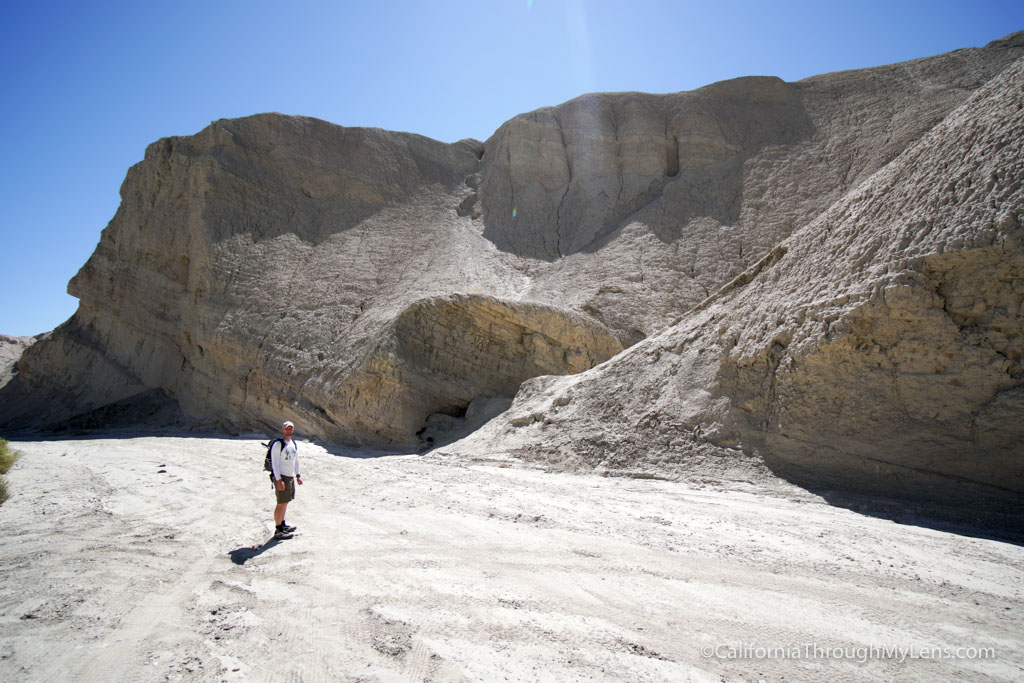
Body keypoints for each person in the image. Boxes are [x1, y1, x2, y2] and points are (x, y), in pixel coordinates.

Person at [270, 421, 302, 539]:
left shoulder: (292, 443)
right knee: (281, 503)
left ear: (293, 430)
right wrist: (278, 480)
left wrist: (298, 475)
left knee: (285, 502)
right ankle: (278, 530)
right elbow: (275, 464)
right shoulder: (278, 444)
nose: (289, 430)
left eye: (291, 428)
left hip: (290, 476)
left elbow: (295, 460)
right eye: (286, 428)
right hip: (282, 477)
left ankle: (282, 525)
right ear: (282, 430)